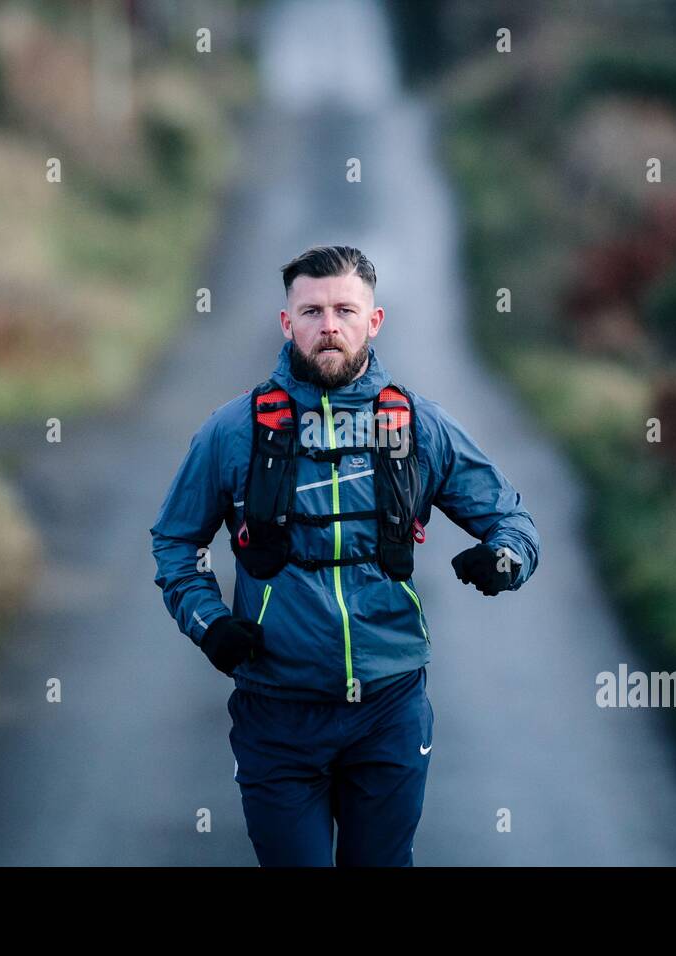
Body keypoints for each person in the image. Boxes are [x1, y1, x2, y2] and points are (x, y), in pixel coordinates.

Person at [150, 244, 539, 866]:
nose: (328, 325)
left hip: (390, 709)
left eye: (344, 310)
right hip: (277, 711)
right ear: (287, 324)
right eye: (310, 311)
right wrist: (208, 621)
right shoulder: (232, 432)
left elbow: (512, 520)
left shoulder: (419, 426)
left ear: (373, 321)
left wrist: (504, 559)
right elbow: (176, 540)